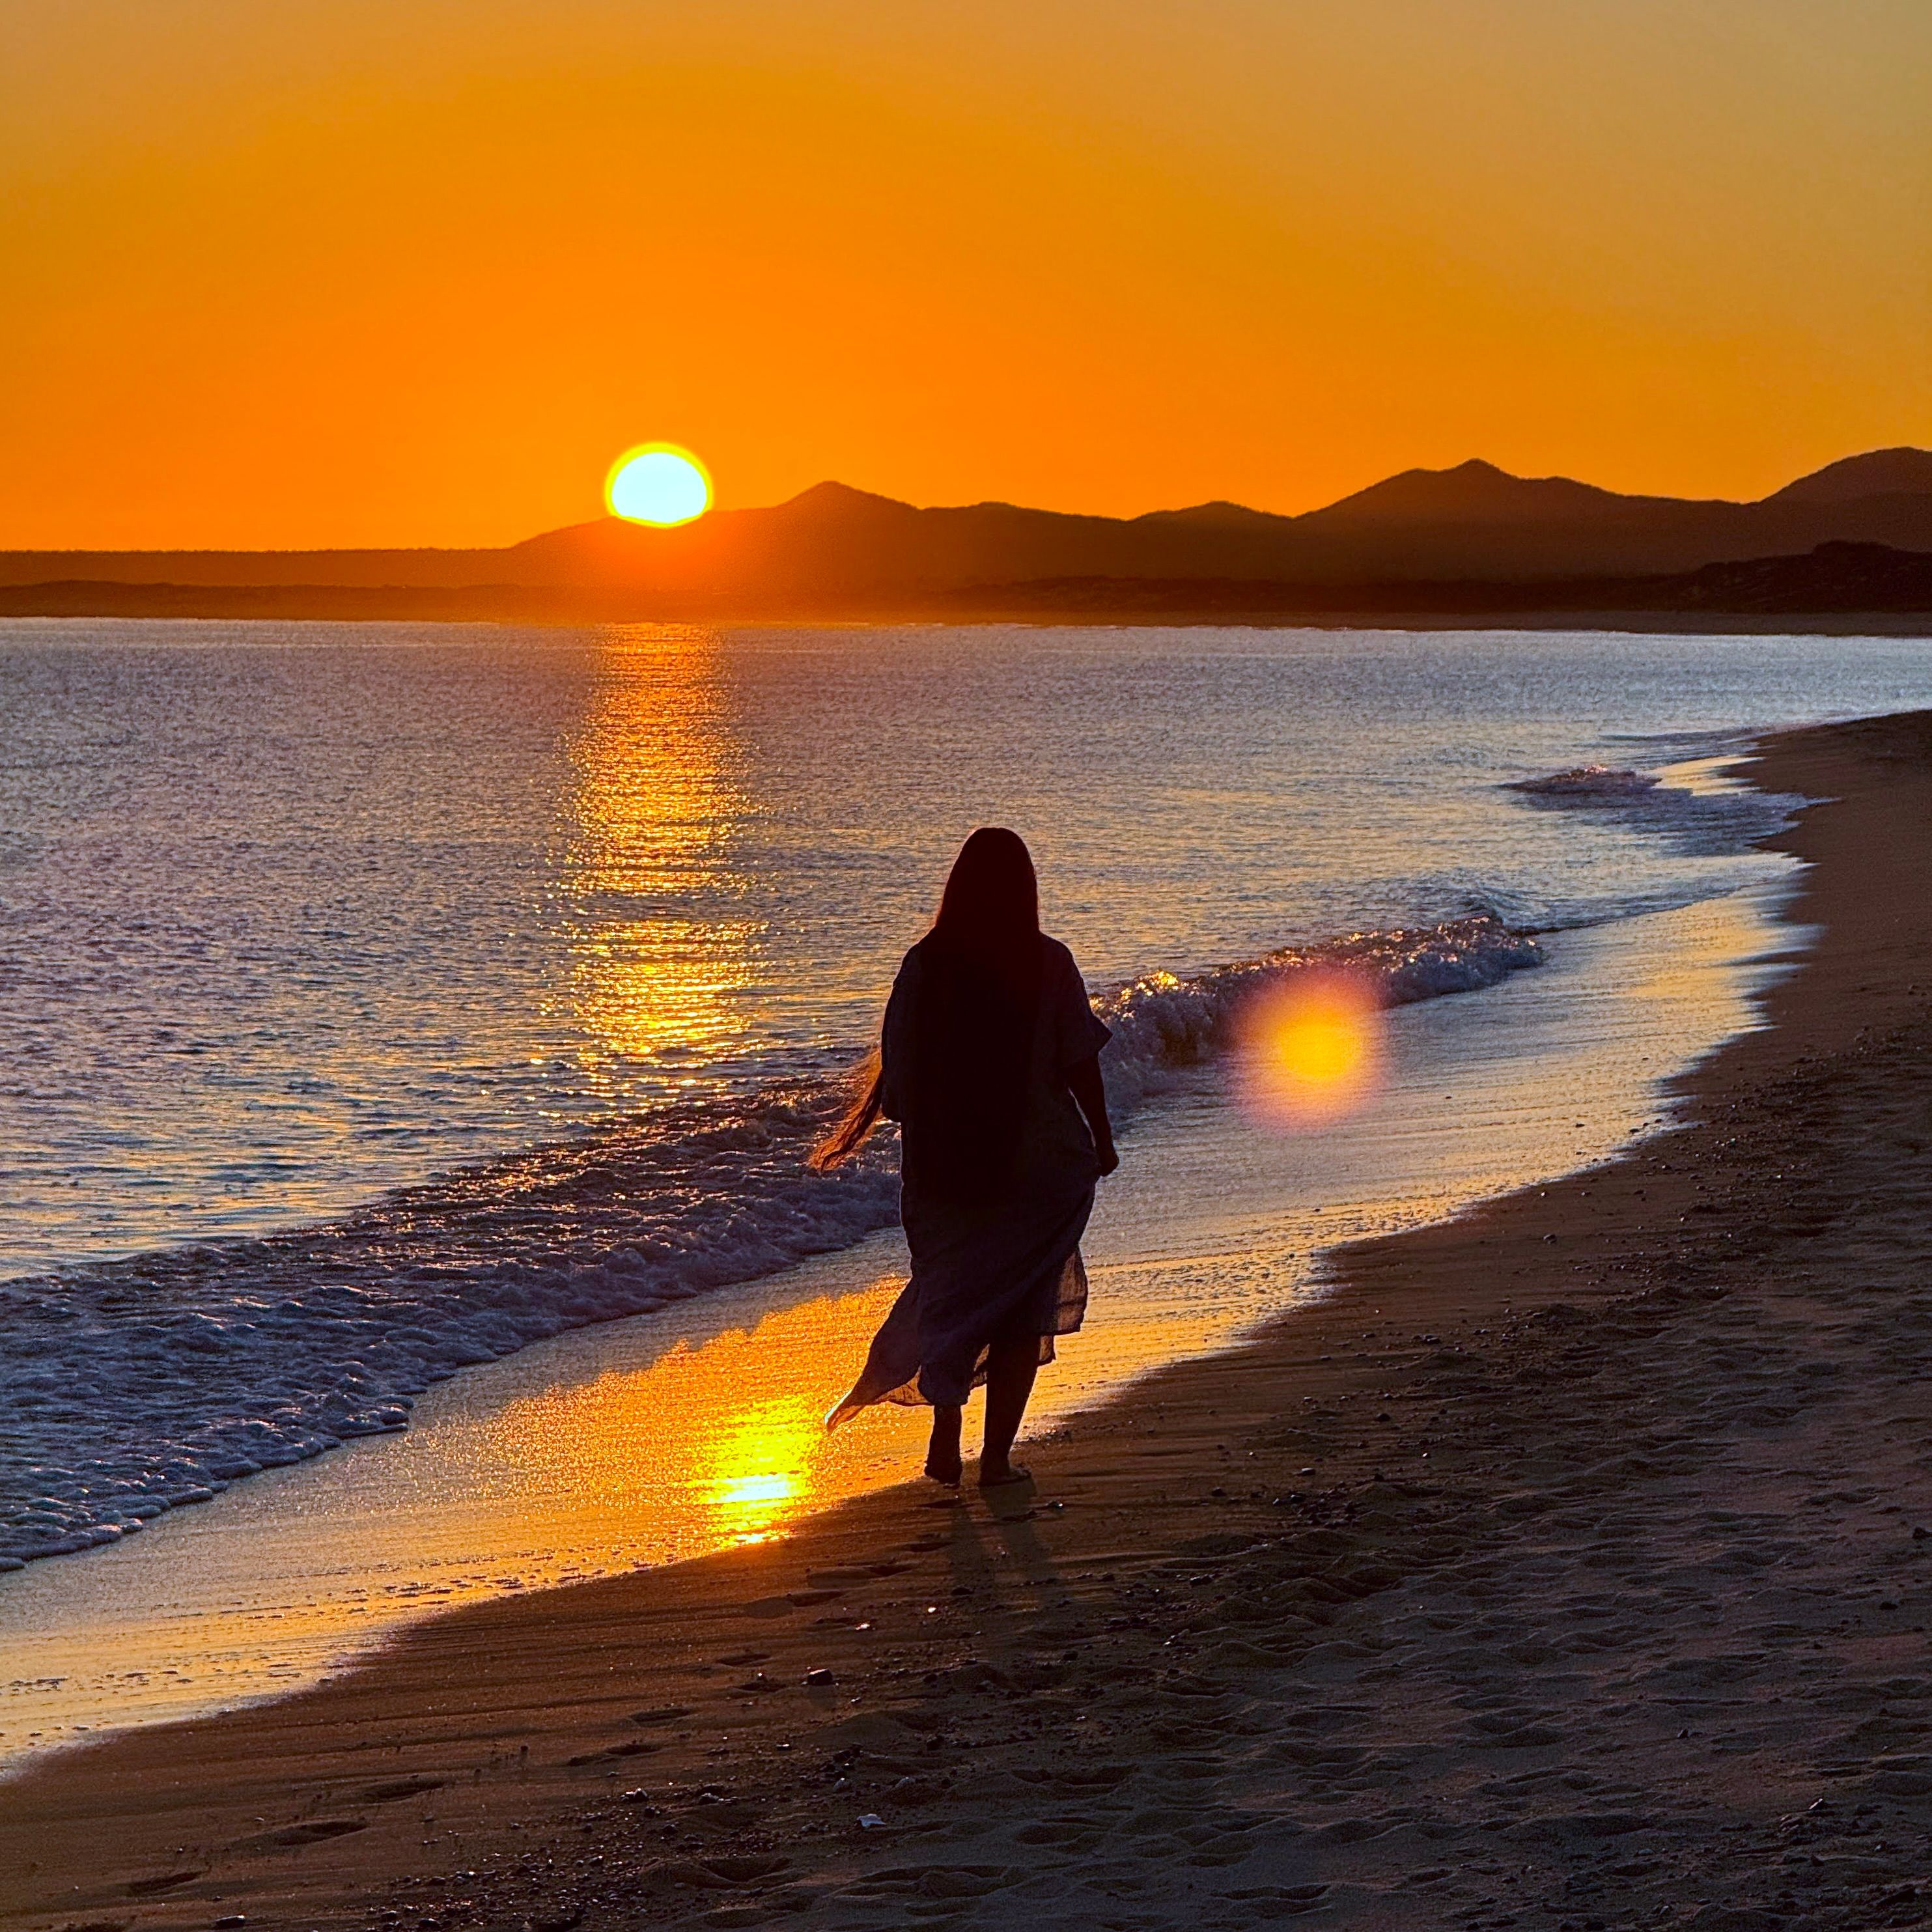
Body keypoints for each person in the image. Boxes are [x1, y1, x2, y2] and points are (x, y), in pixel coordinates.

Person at [812, 827, 1119, 1489]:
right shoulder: (1049, 963)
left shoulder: (925, 967)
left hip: (943, 1171)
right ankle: (997, 1462)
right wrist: (1102, 1136)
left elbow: (897, 1093)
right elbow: (1079, 1063)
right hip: (1039, 1167)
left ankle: (946, 1441)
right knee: (1020, 1308)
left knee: (953, 1298)